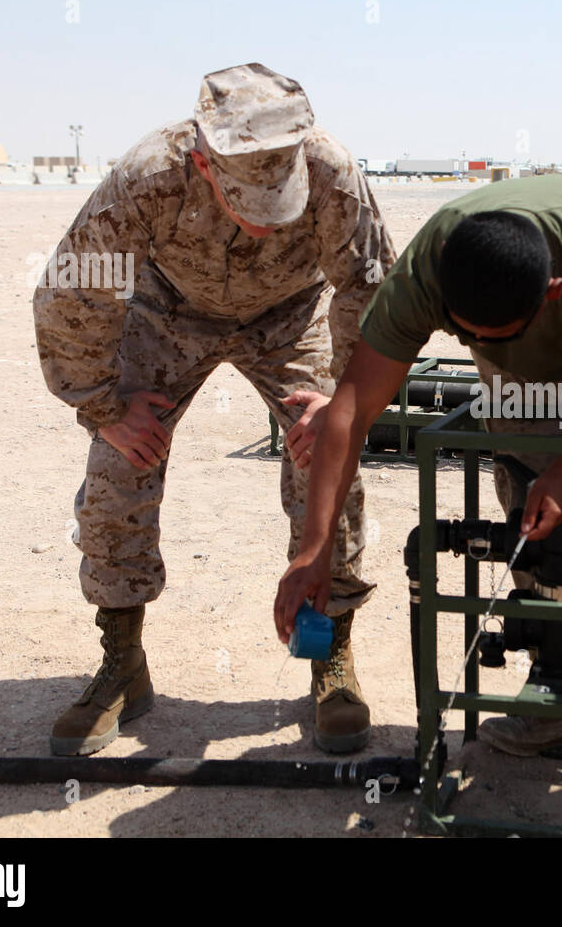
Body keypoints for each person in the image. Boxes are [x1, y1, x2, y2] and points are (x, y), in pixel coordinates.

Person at [34, 63, 395, 757]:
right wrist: (104, 406)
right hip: (169, 310)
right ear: (202, 158)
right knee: (120, 459)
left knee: (329, 456)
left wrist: (342, 402)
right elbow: (72, 296)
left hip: (292, 313)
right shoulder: (147, 178)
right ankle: (121, 660)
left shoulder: (333, 173)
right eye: (245, 199)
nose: (262, 220)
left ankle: (331, 650)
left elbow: (371, 294)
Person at [274, 174, 562, 756]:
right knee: (536, 533)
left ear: (553, 293)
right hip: (520, 392)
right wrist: (313, 551)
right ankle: (556, 703)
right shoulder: (426, 272)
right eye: (466, 332)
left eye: (496, 334)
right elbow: (351, 410)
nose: (475, 340)